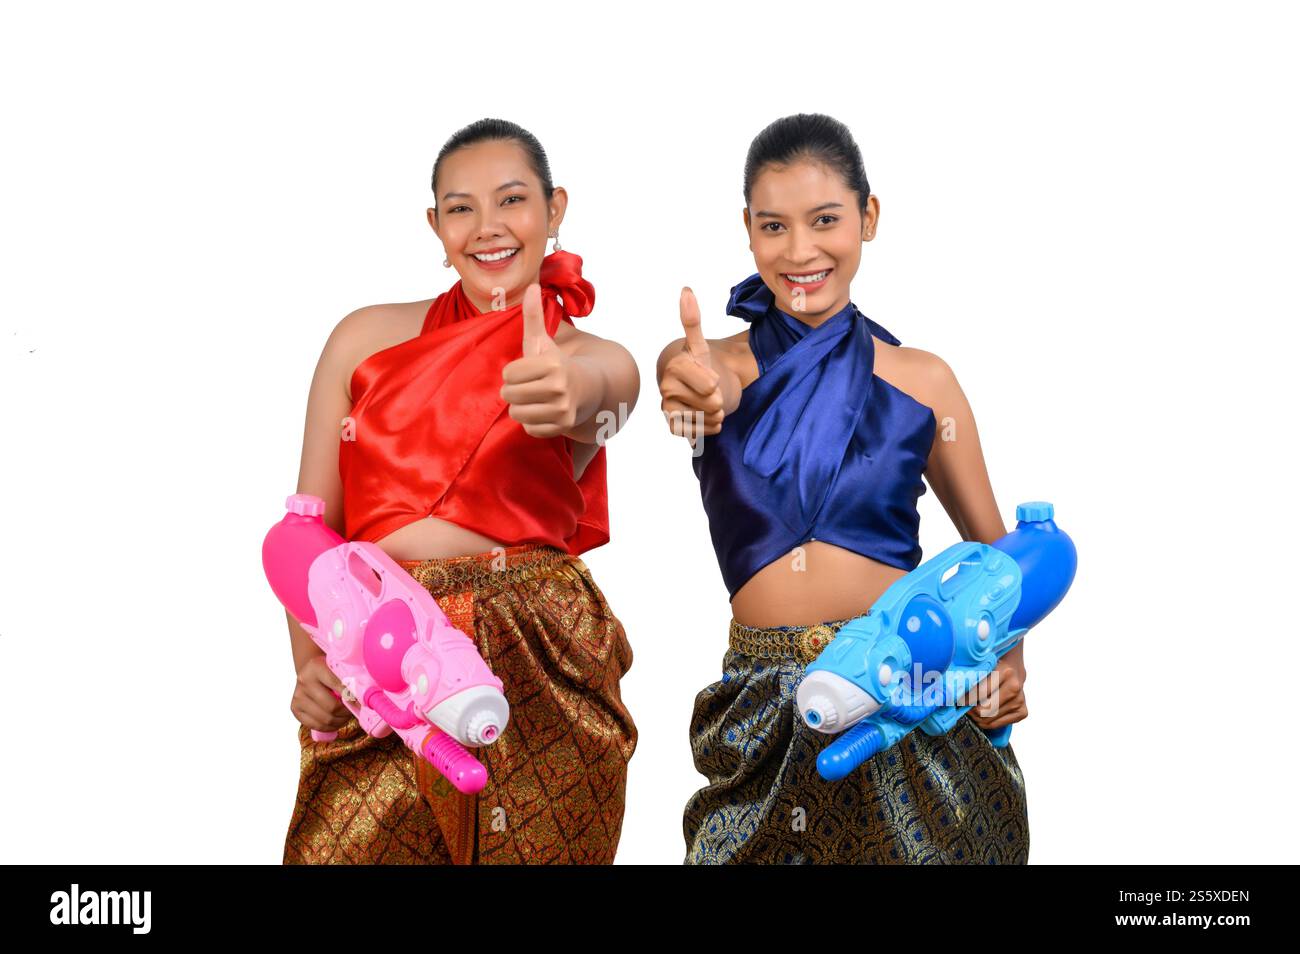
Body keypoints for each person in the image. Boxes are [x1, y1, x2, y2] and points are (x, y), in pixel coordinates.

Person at [657, 113, 1029, 864]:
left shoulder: (923, 380)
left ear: (869, 217)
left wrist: (1008, 667)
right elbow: (689, 388)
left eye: (825, 220)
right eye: (773, 226)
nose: (800, 251)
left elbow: (999, 559)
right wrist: (686, 388)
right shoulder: (715, 365)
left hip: (916, 696)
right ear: (748, 230)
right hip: (765, 705)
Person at [282, 118, 639, 865]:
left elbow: (605, 392)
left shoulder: (584, 355)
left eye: (512, 200)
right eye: (460, 208)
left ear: (555, 208)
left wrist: (564, 393)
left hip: (537, 648)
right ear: (434, 224)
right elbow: (308, 536)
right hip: (383, 649)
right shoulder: (363, 339)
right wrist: (309, 665)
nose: (488, 228)